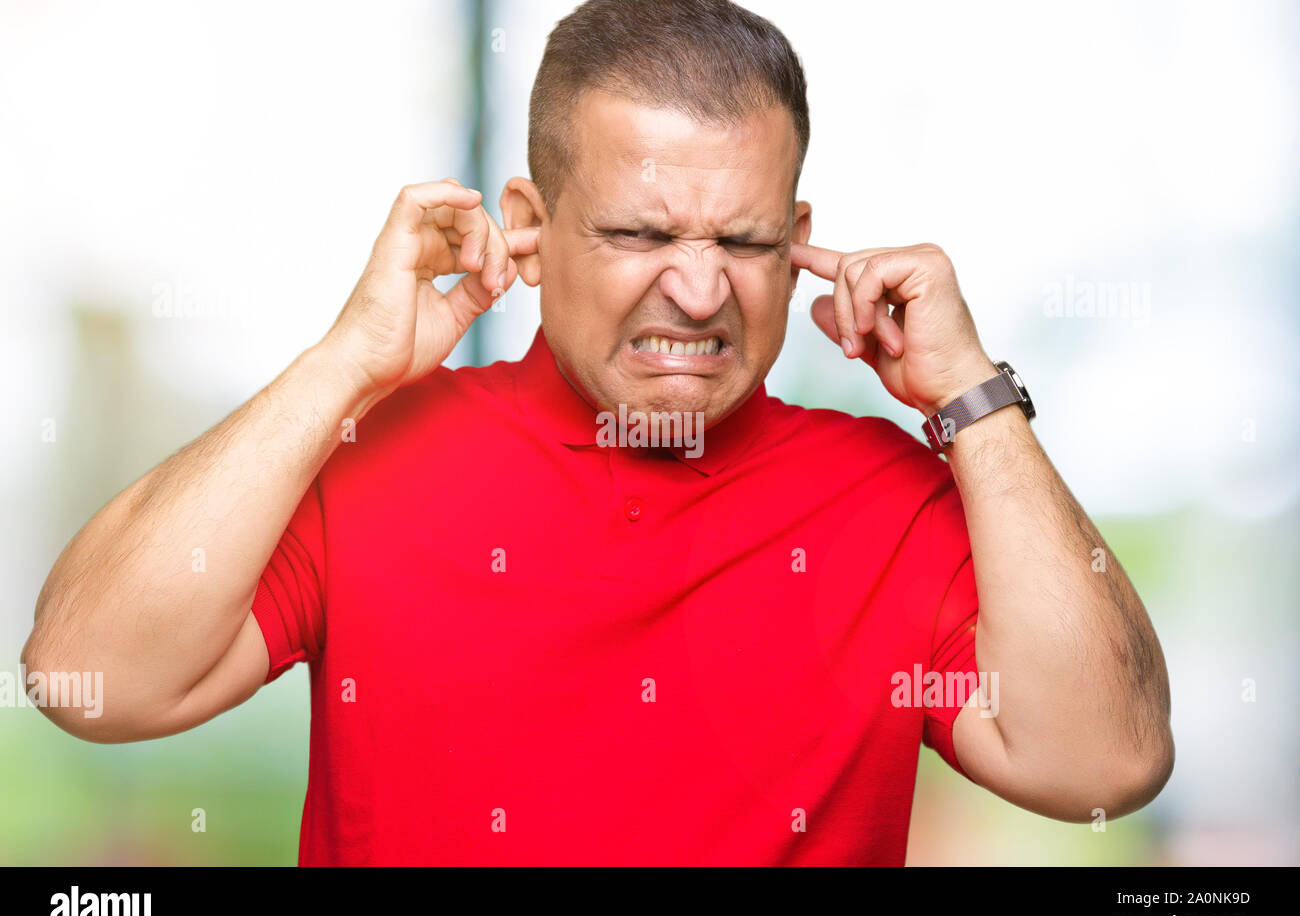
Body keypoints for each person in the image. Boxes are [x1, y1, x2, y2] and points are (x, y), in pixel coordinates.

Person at [23, 0, 1173, 865]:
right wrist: (344, 363)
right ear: (528, 225)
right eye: (639, 232)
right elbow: (92, 679)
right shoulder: (371, 456)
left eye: (744, 240)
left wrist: (971, 393)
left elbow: (1103, 763)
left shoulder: (887, 498)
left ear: (800, 239)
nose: (699, 288)